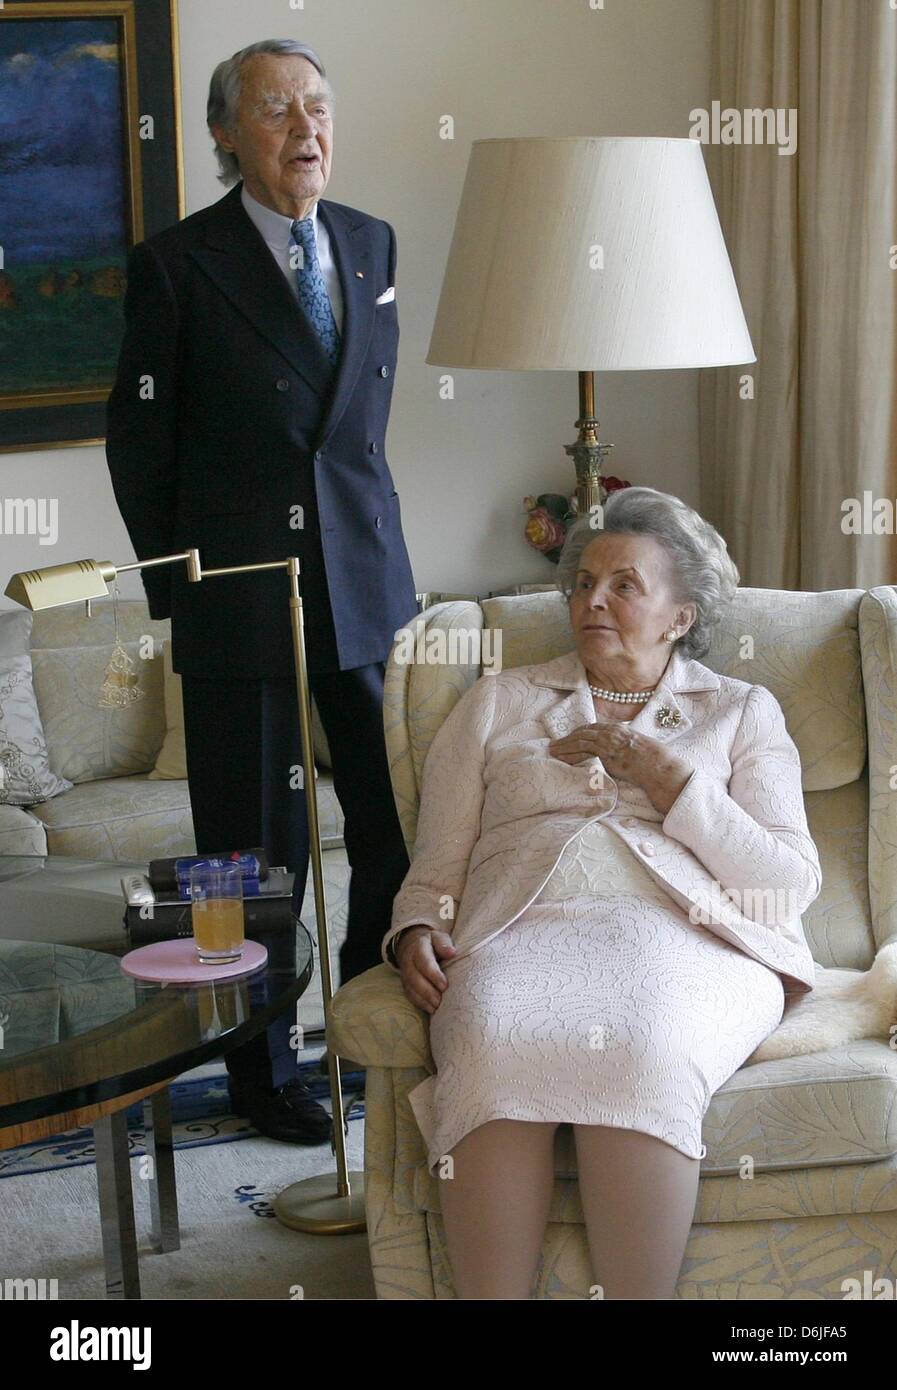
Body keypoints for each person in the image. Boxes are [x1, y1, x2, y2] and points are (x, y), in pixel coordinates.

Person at [382, 486, 821, 1299]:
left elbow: (786, 882)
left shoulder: (739, 712)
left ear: (680, 617)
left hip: (692, 939)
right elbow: (436, 869)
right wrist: (414, 930)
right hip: (520, 931)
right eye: (584, 582)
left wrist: (667, 777)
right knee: (486, 1037)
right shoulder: (497, 703)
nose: (593, 600)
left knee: (645, 1044)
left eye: (624, 584)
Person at [105, 38, 419, 1143]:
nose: (306, 129)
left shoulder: (372, 241)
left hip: (366, 587)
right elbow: (137, 446)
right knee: (248, 852)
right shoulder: (178, 266)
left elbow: (358, 435)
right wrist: (183, 589)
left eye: (318, 106)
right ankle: (257, 1067)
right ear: (227, 136)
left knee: (397, 825)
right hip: (242, 595)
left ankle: (368, 1024)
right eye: (279, 110)